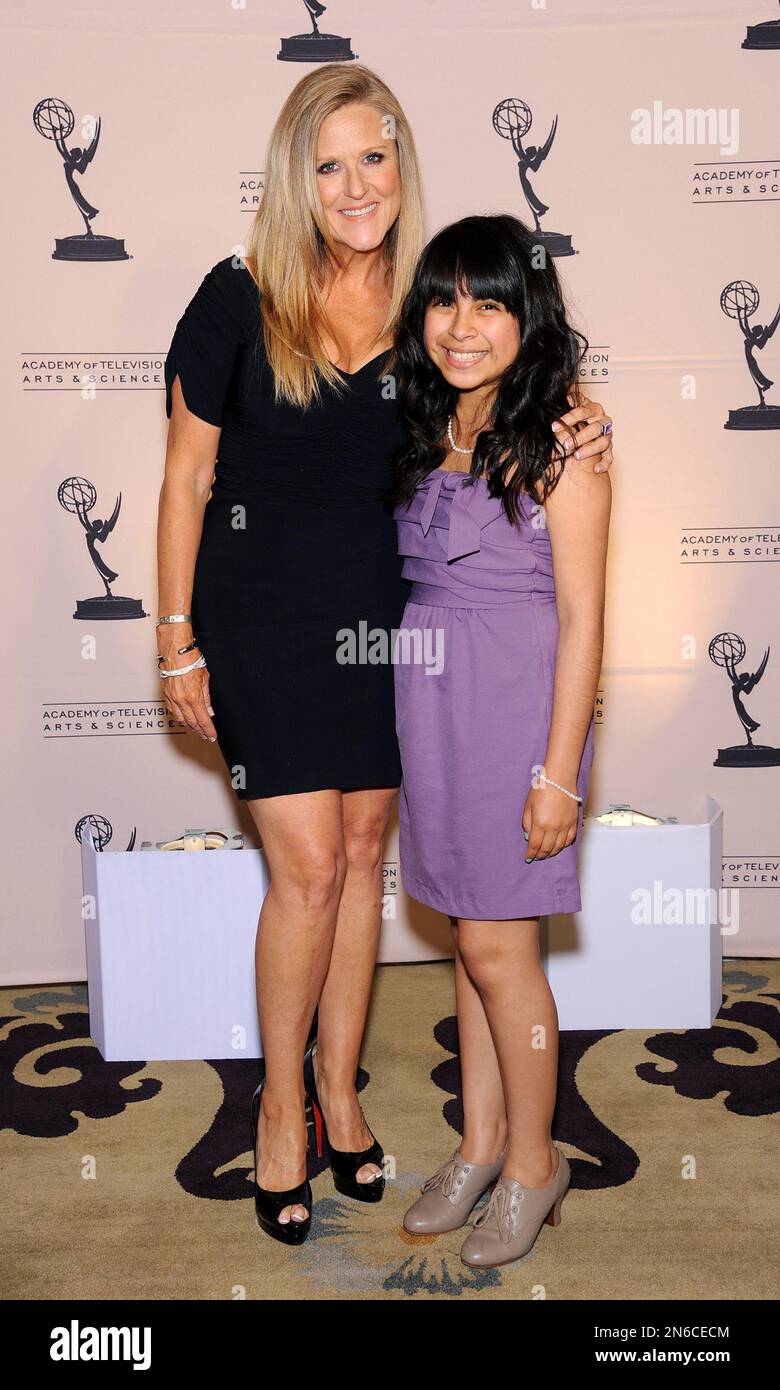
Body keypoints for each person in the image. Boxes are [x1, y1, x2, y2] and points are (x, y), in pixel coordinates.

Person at [156, 64, 615, 1247]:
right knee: (308, 868)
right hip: (262, 621)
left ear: (400, 163)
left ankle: (346, 1096)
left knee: (365, 857)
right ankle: (278, 1111)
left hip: (396, 626)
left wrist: (585, 411)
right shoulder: (238, 294)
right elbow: (185, 479)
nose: (357, 185)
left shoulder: (429, 300)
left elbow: (505, 379)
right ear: (294, 178)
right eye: (330, 163)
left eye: (376, 157)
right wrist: (174, 639)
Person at [390, 214, 611, 1268]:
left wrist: (557, 775)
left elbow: (584, 619)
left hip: (517, 711)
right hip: (434, 707)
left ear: (531, 317)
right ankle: (478, 1143)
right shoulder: (424, 424)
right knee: (470, 941)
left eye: (490, 302)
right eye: (443, 298)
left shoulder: (566, 439)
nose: (462, 324)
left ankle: (535, 1161)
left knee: (497, 948)